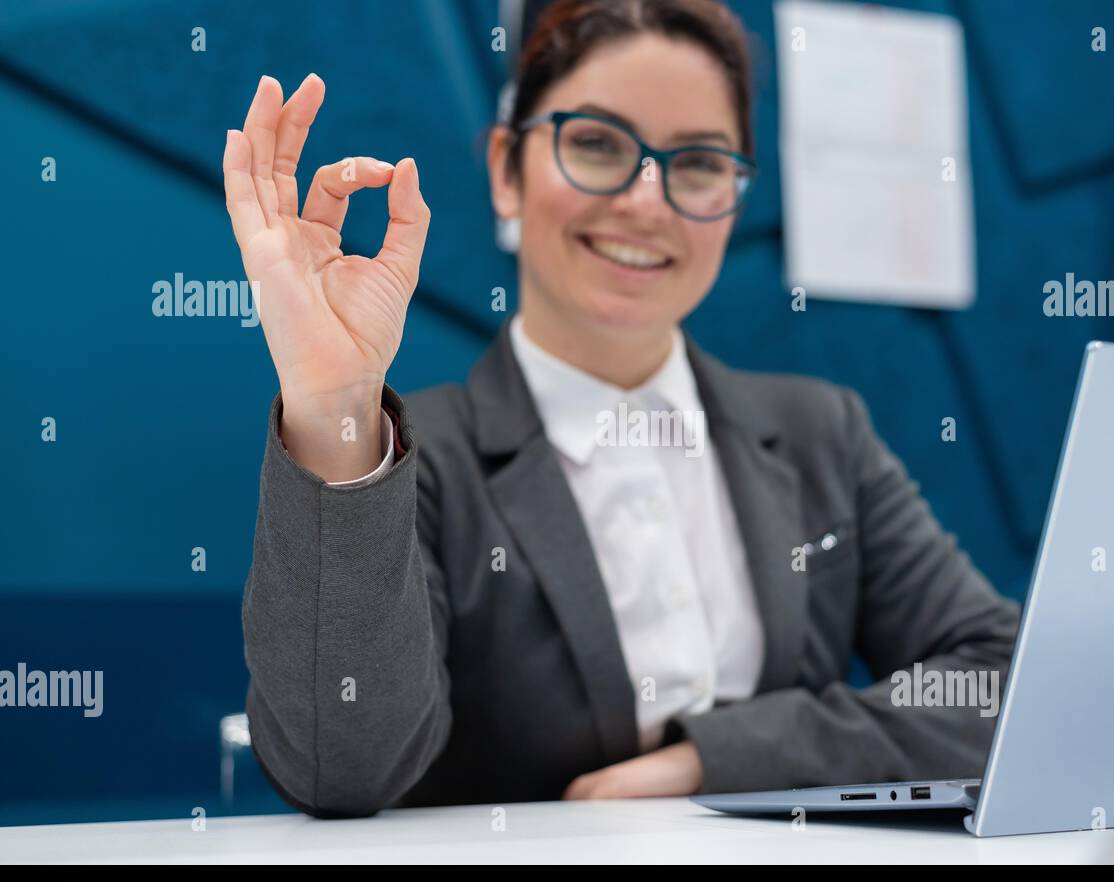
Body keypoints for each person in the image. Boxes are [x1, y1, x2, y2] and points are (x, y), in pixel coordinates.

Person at [223, 0, 1020, 819]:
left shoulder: (824, 436)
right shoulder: (420, 466)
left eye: (702, 162)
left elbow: (1002, 682)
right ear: (506, 169)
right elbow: (339, 774)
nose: (648, 202)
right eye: (597, 144)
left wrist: (713, 763)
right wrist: (335, 407)